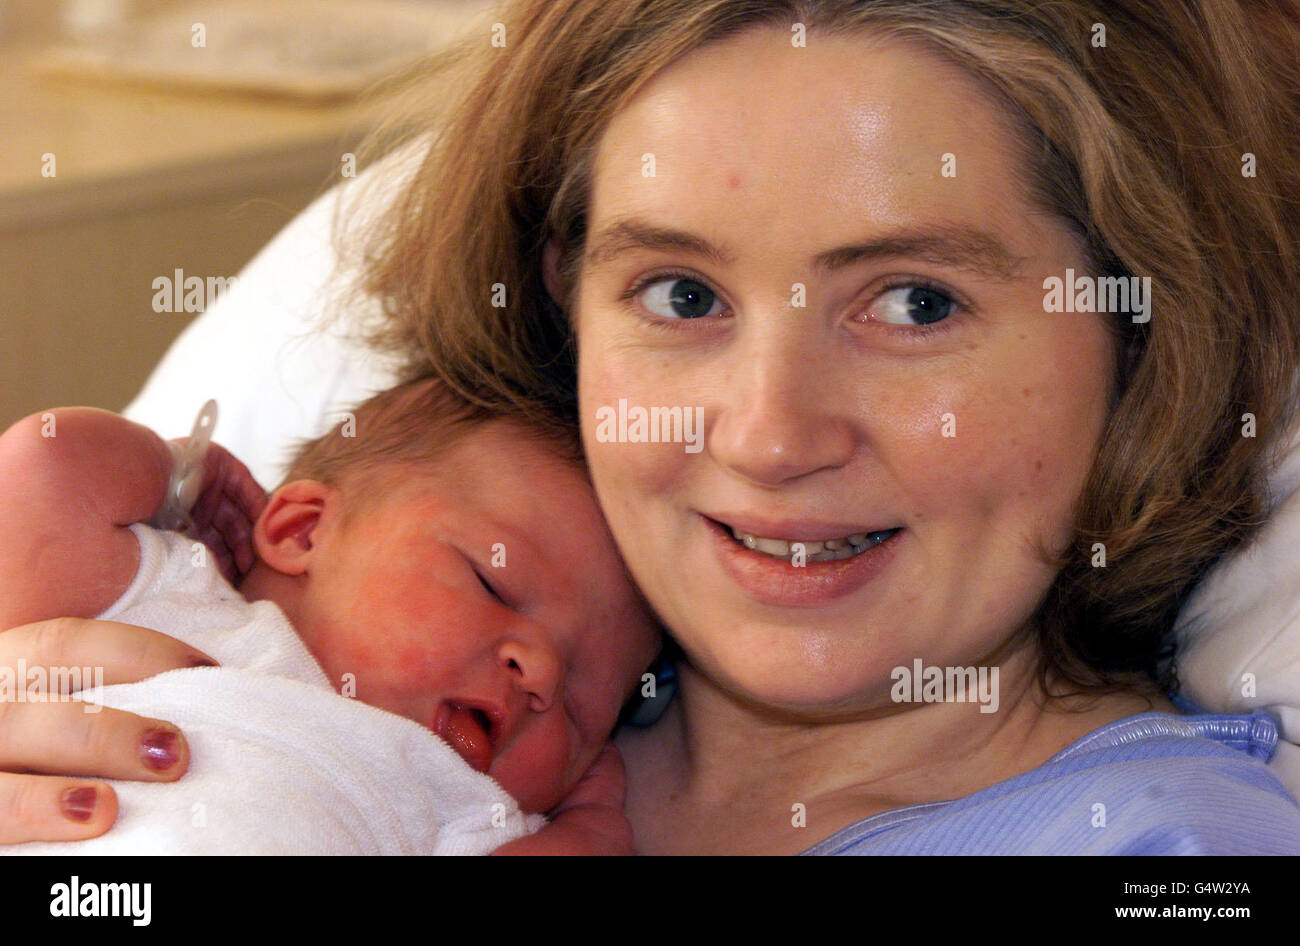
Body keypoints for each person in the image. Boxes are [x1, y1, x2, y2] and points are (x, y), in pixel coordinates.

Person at [4, 0, 1300, 854]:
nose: (771, 432)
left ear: (1139, 335)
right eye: (683, 294)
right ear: (568, 299)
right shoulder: (408, 692)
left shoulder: (1161, 846)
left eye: (916, 301)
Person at [0, 377, 660, 853]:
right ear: (301, 532)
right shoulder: (181, 607)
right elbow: (40, 473)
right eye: (493, 583)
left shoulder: (457, 810)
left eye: (582, 703)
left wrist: (594, 828)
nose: (541, 670)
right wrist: (178, 476)